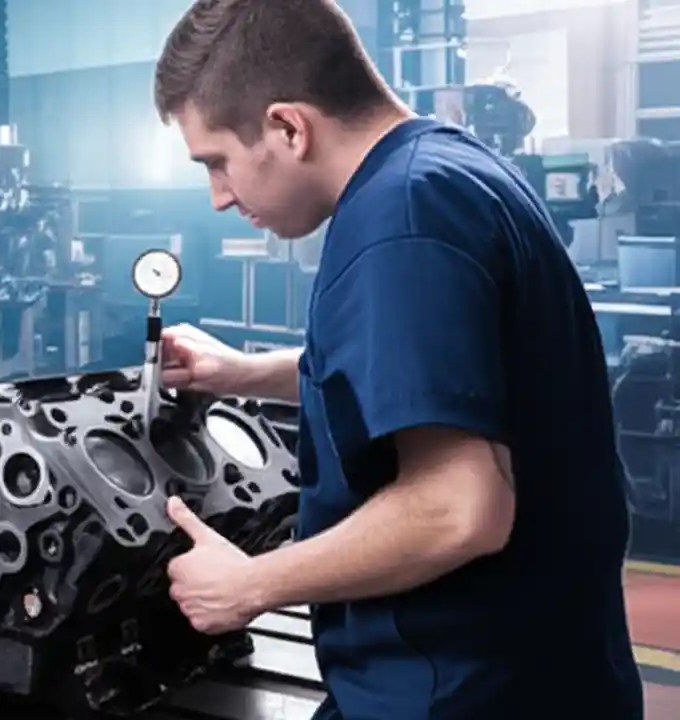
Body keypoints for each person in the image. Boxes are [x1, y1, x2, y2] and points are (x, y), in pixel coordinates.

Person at [150, 1, 645, 719]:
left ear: (289, 127)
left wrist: (249, 584)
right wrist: (240, 373)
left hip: (457, 689)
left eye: (218, 162)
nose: (219, 197)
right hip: (547, 673)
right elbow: (436, 374)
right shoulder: (447, 169)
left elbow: (459, 508)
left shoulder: (398, 225)